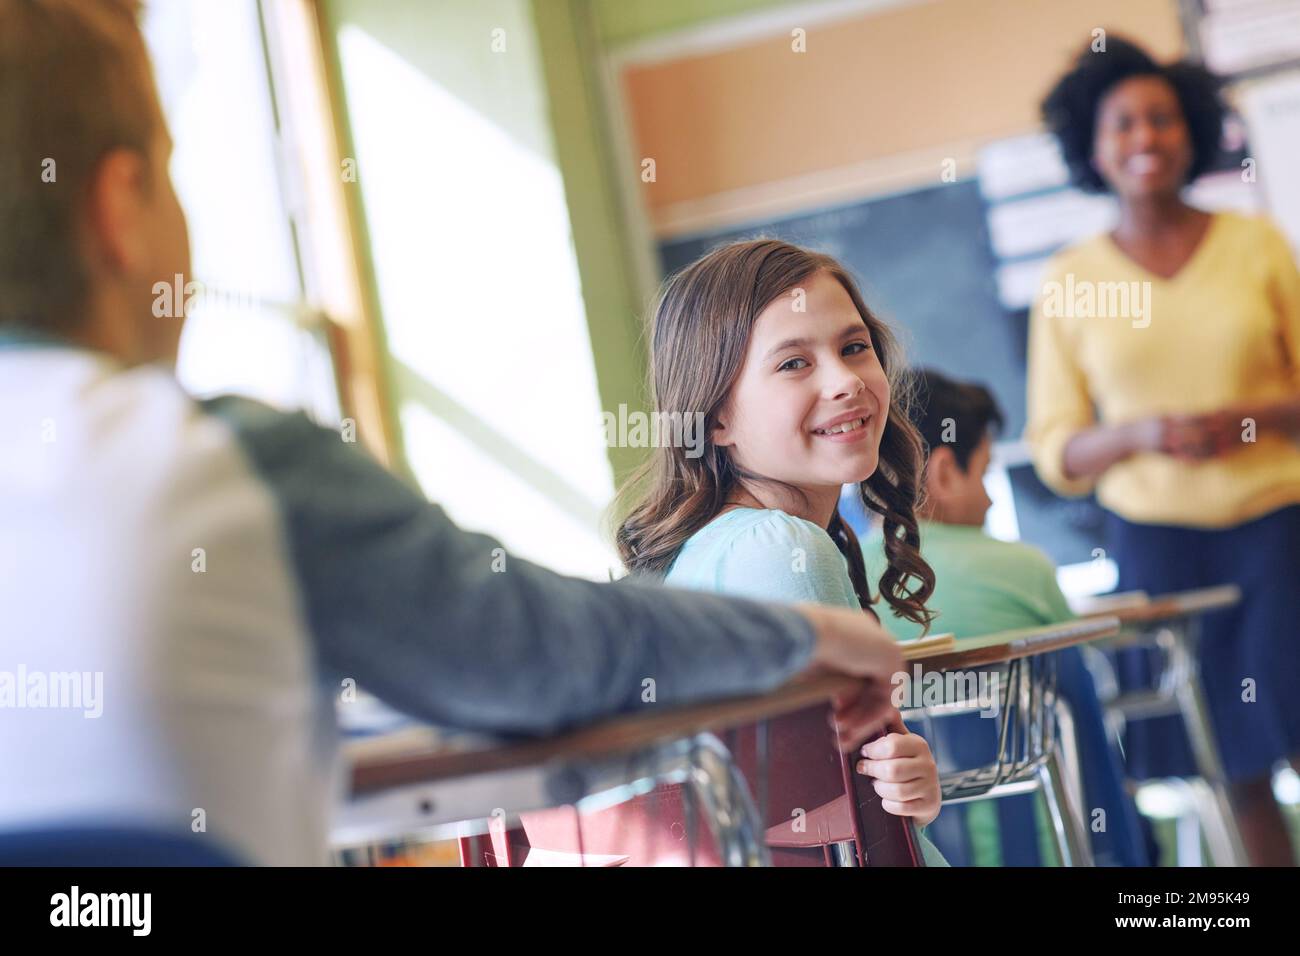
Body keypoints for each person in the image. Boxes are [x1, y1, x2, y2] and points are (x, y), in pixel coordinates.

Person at [0, 0, 906, 866]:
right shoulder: (236, 467)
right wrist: (801, 639)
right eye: (171, 176)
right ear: (120, 210)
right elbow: (537, 649)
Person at [1028, 36, 1300, 864]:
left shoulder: (1255, 245)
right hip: (1160, 549)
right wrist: (1142, 434)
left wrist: (1248, 421)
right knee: (1231, 764)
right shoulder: (1069, 279)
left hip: (1278, 530)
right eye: (1122, 124)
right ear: (1092, 146)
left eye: (1162, 119)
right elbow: (1056, 450)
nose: (1145, 137)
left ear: (1194, 131)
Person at [617, 239, 947, 864]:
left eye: (855, 348)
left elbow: (834, 805)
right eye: (794, 364)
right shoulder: (780, 548)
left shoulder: (716, 548)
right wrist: (906, 810)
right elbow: (854, 836)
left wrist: (911, 797)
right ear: (716, 420)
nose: (846, 381)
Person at [864, 369, 1149, 866]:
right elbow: (1077, 674)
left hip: (916, 841)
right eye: (986, 472)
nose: (994, 497)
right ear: (947, 473)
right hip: (1049, 837)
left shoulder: (847, 579)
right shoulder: (1023, 568)